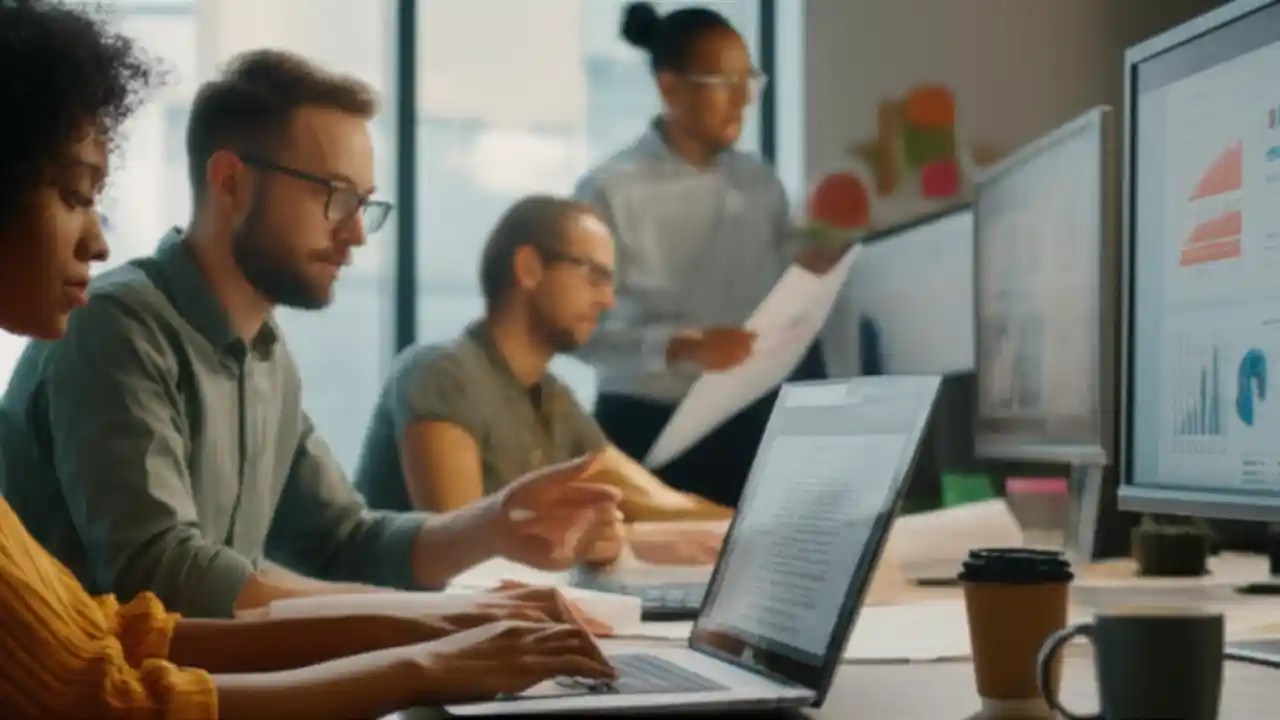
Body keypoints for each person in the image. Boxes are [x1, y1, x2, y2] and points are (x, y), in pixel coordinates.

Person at [0, 1, 613, 717]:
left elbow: (338, 541)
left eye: (365, 205)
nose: (356, 233)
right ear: (229, 182)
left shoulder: (267, 356)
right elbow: (163, 581)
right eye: (334, 197)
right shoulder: (114, 324)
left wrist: (487, 532)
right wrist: (432, 637)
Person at [354, 196, 730, 565]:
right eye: (594, 276)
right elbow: (460, 552)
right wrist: (586, 540)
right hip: (419, 623)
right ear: (530, 267)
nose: (608, 300)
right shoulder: (441, 372)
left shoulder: (552, 398)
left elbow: (658, 502)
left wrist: (751, 529)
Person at [574, 3, 843, 508]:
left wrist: (818, 262)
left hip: (752, 420)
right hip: (646, 424)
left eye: (749, 80)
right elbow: (576, 334)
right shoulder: (608, 190)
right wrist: (677, 347)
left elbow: (787, 284)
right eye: (723, 80)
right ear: (670, 87)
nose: (742, 99)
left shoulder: (759, 182)